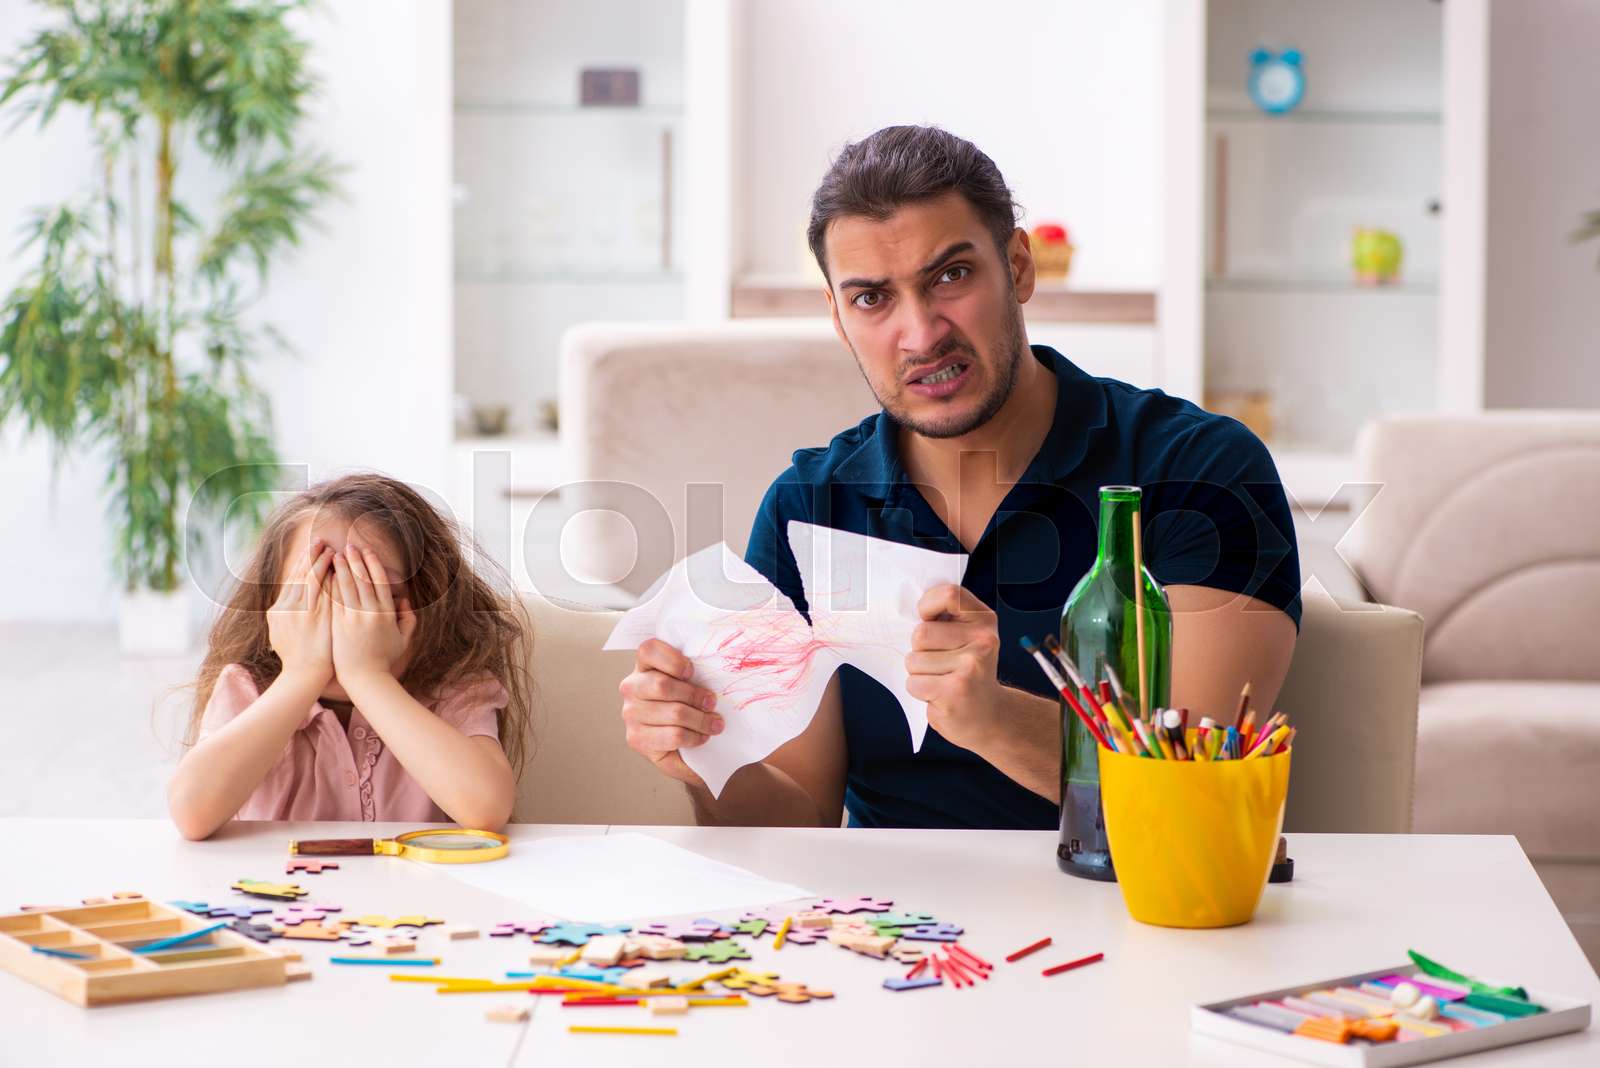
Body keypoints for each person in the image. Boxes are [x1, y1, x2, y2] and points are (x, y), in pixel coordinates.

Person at [620, 125, 1300, 829]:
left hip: (1134, 909)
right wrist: (703, 764)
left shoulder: (1200, 470)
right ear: (837, 316)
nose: (920, 334)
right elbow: (803, 820)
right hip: (894, 926)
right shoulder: (811, 507)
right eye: (872, 299)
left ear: (1019, 267)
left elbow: (1193, 803)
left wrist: (994, 718)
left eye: (950, 275)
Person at [168, 473, 532, 839]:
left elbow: (486, 809)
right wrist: (299, 675)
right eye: (313, 596)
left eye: (370, 595)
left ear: (426, 608)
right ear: (272, 612)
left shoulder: (454, 687)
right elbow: (191, 813)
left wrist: (368, 677)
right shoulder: (247, 689)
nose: (342, 623)